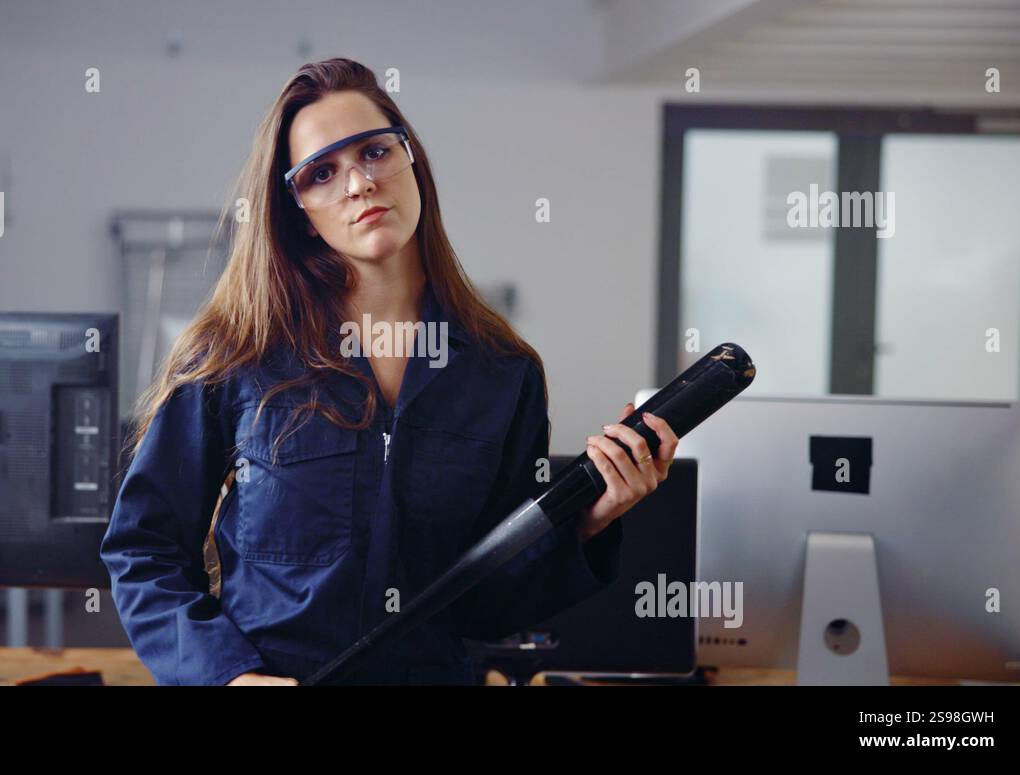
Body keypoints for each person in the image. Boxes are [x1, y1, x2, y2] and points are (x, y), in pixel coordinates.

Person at [99, 58, 677, 686]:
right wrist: (227, 677)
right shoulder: (234, 354)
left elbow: (487, 604)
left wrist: (592, 522)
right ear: (297, 209)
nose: (358, 184)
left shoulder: (503, 373)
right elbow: (143, 551)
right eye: (322, 173)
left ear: (412, 161)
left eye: (374, 152)